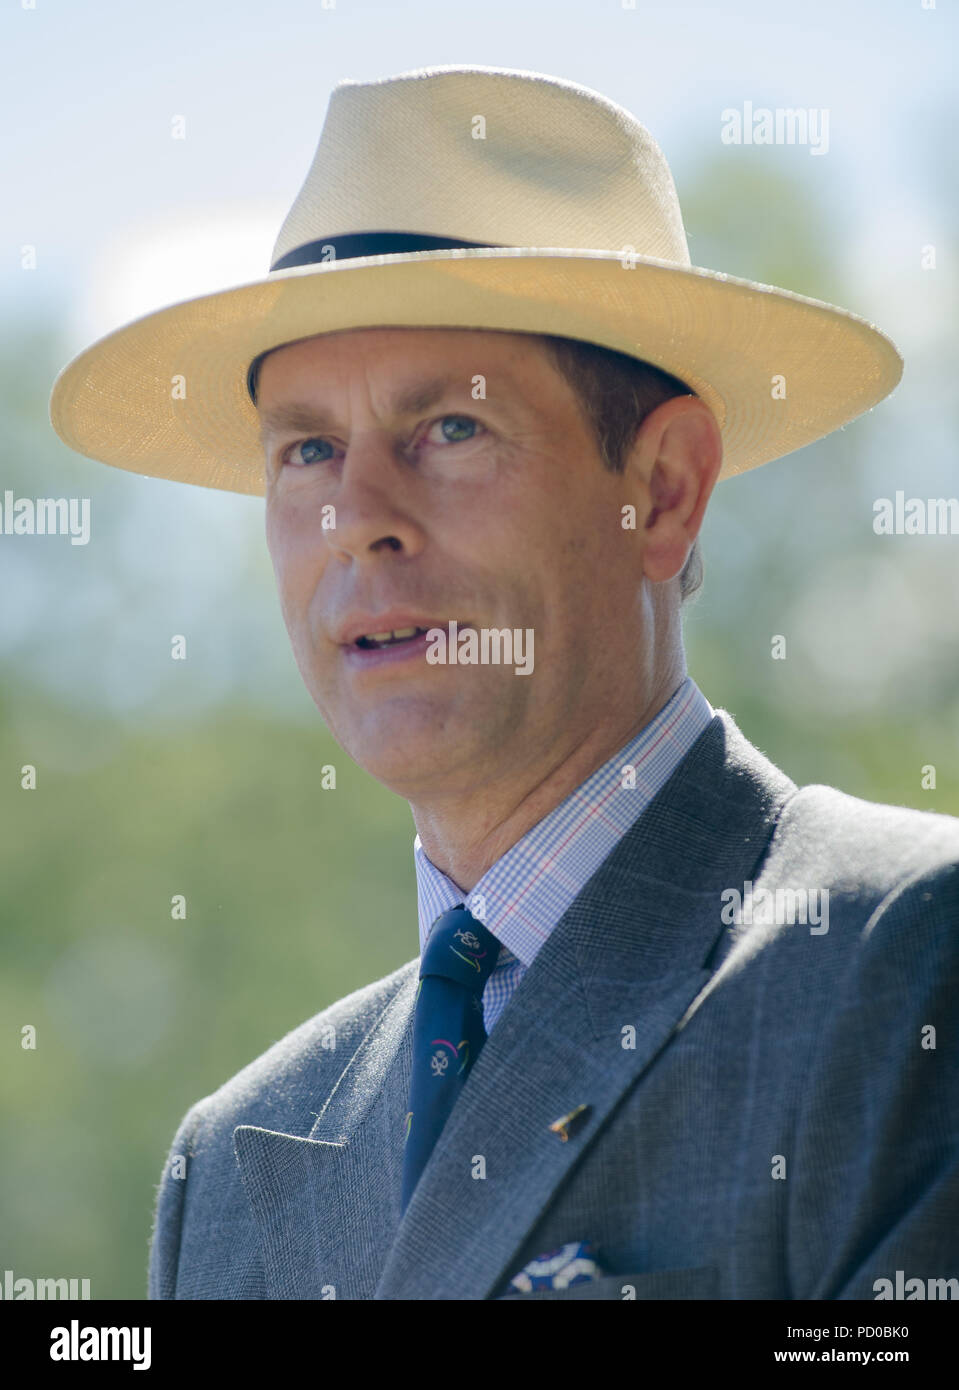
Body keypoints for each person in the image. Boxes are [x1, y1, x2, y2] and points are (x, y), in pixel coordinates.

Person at [50, 64, 958, 1301]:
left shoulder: (898, 958)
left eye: (451, 430)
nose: (357, 519)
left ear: (663, 491)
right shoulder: (231, 1169)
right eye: (308, 449)